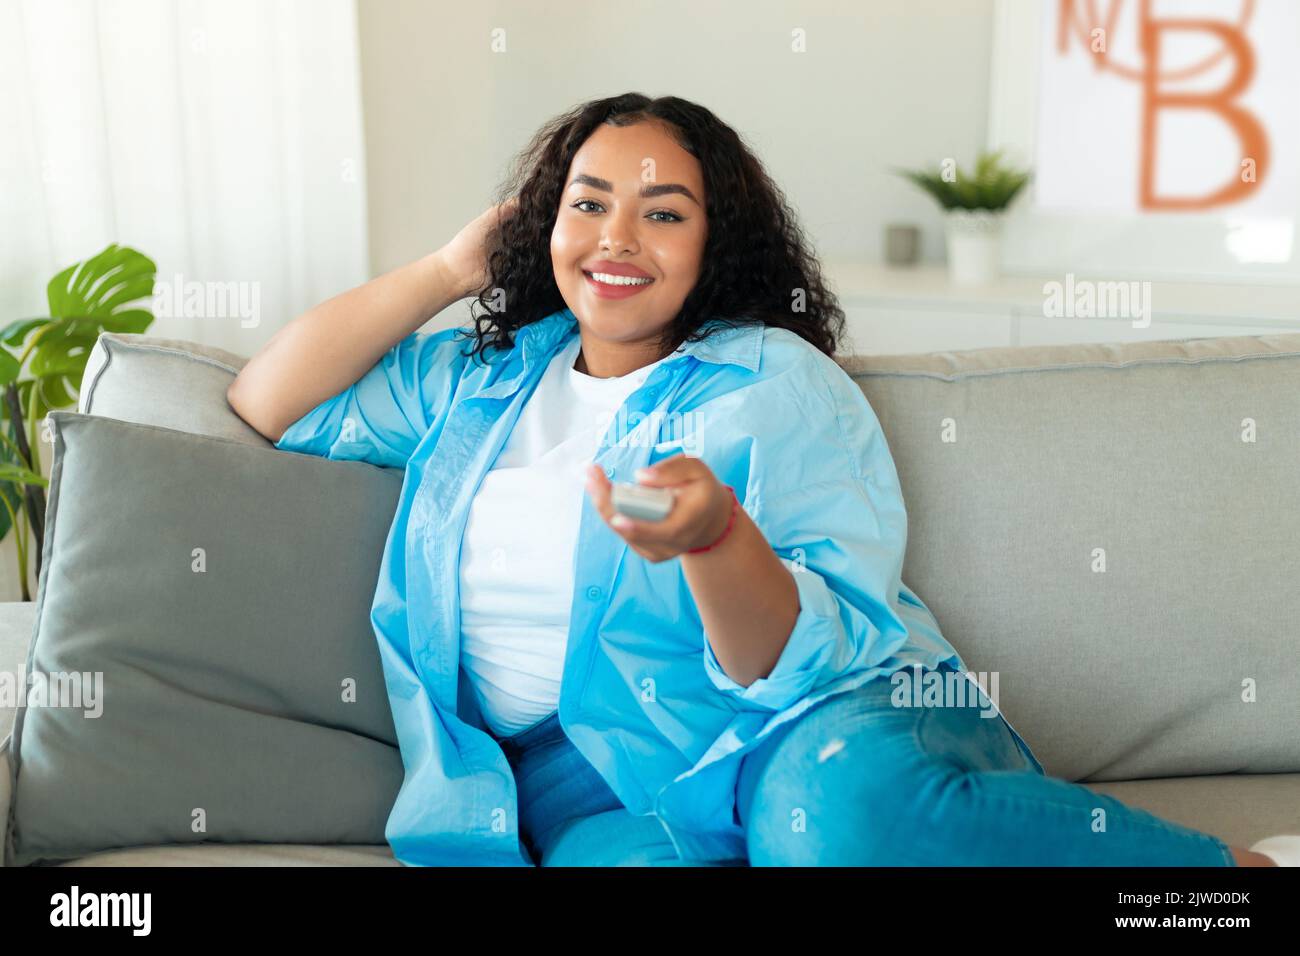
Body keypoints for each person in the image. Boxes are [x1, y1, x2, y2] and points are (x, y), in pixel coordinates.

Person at [227, 92, 1294, 867]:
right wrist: (451, 270)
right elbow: (267, 400)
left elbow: (800, 655)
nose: (615, 239)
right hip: (580, 777)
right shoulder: (475, 383)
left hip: (811, 716)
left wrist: (713, 542)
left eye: (664, 212)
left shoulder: (769, 380)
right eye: (587, 204)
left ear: (714, 244)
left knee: (827, 823)